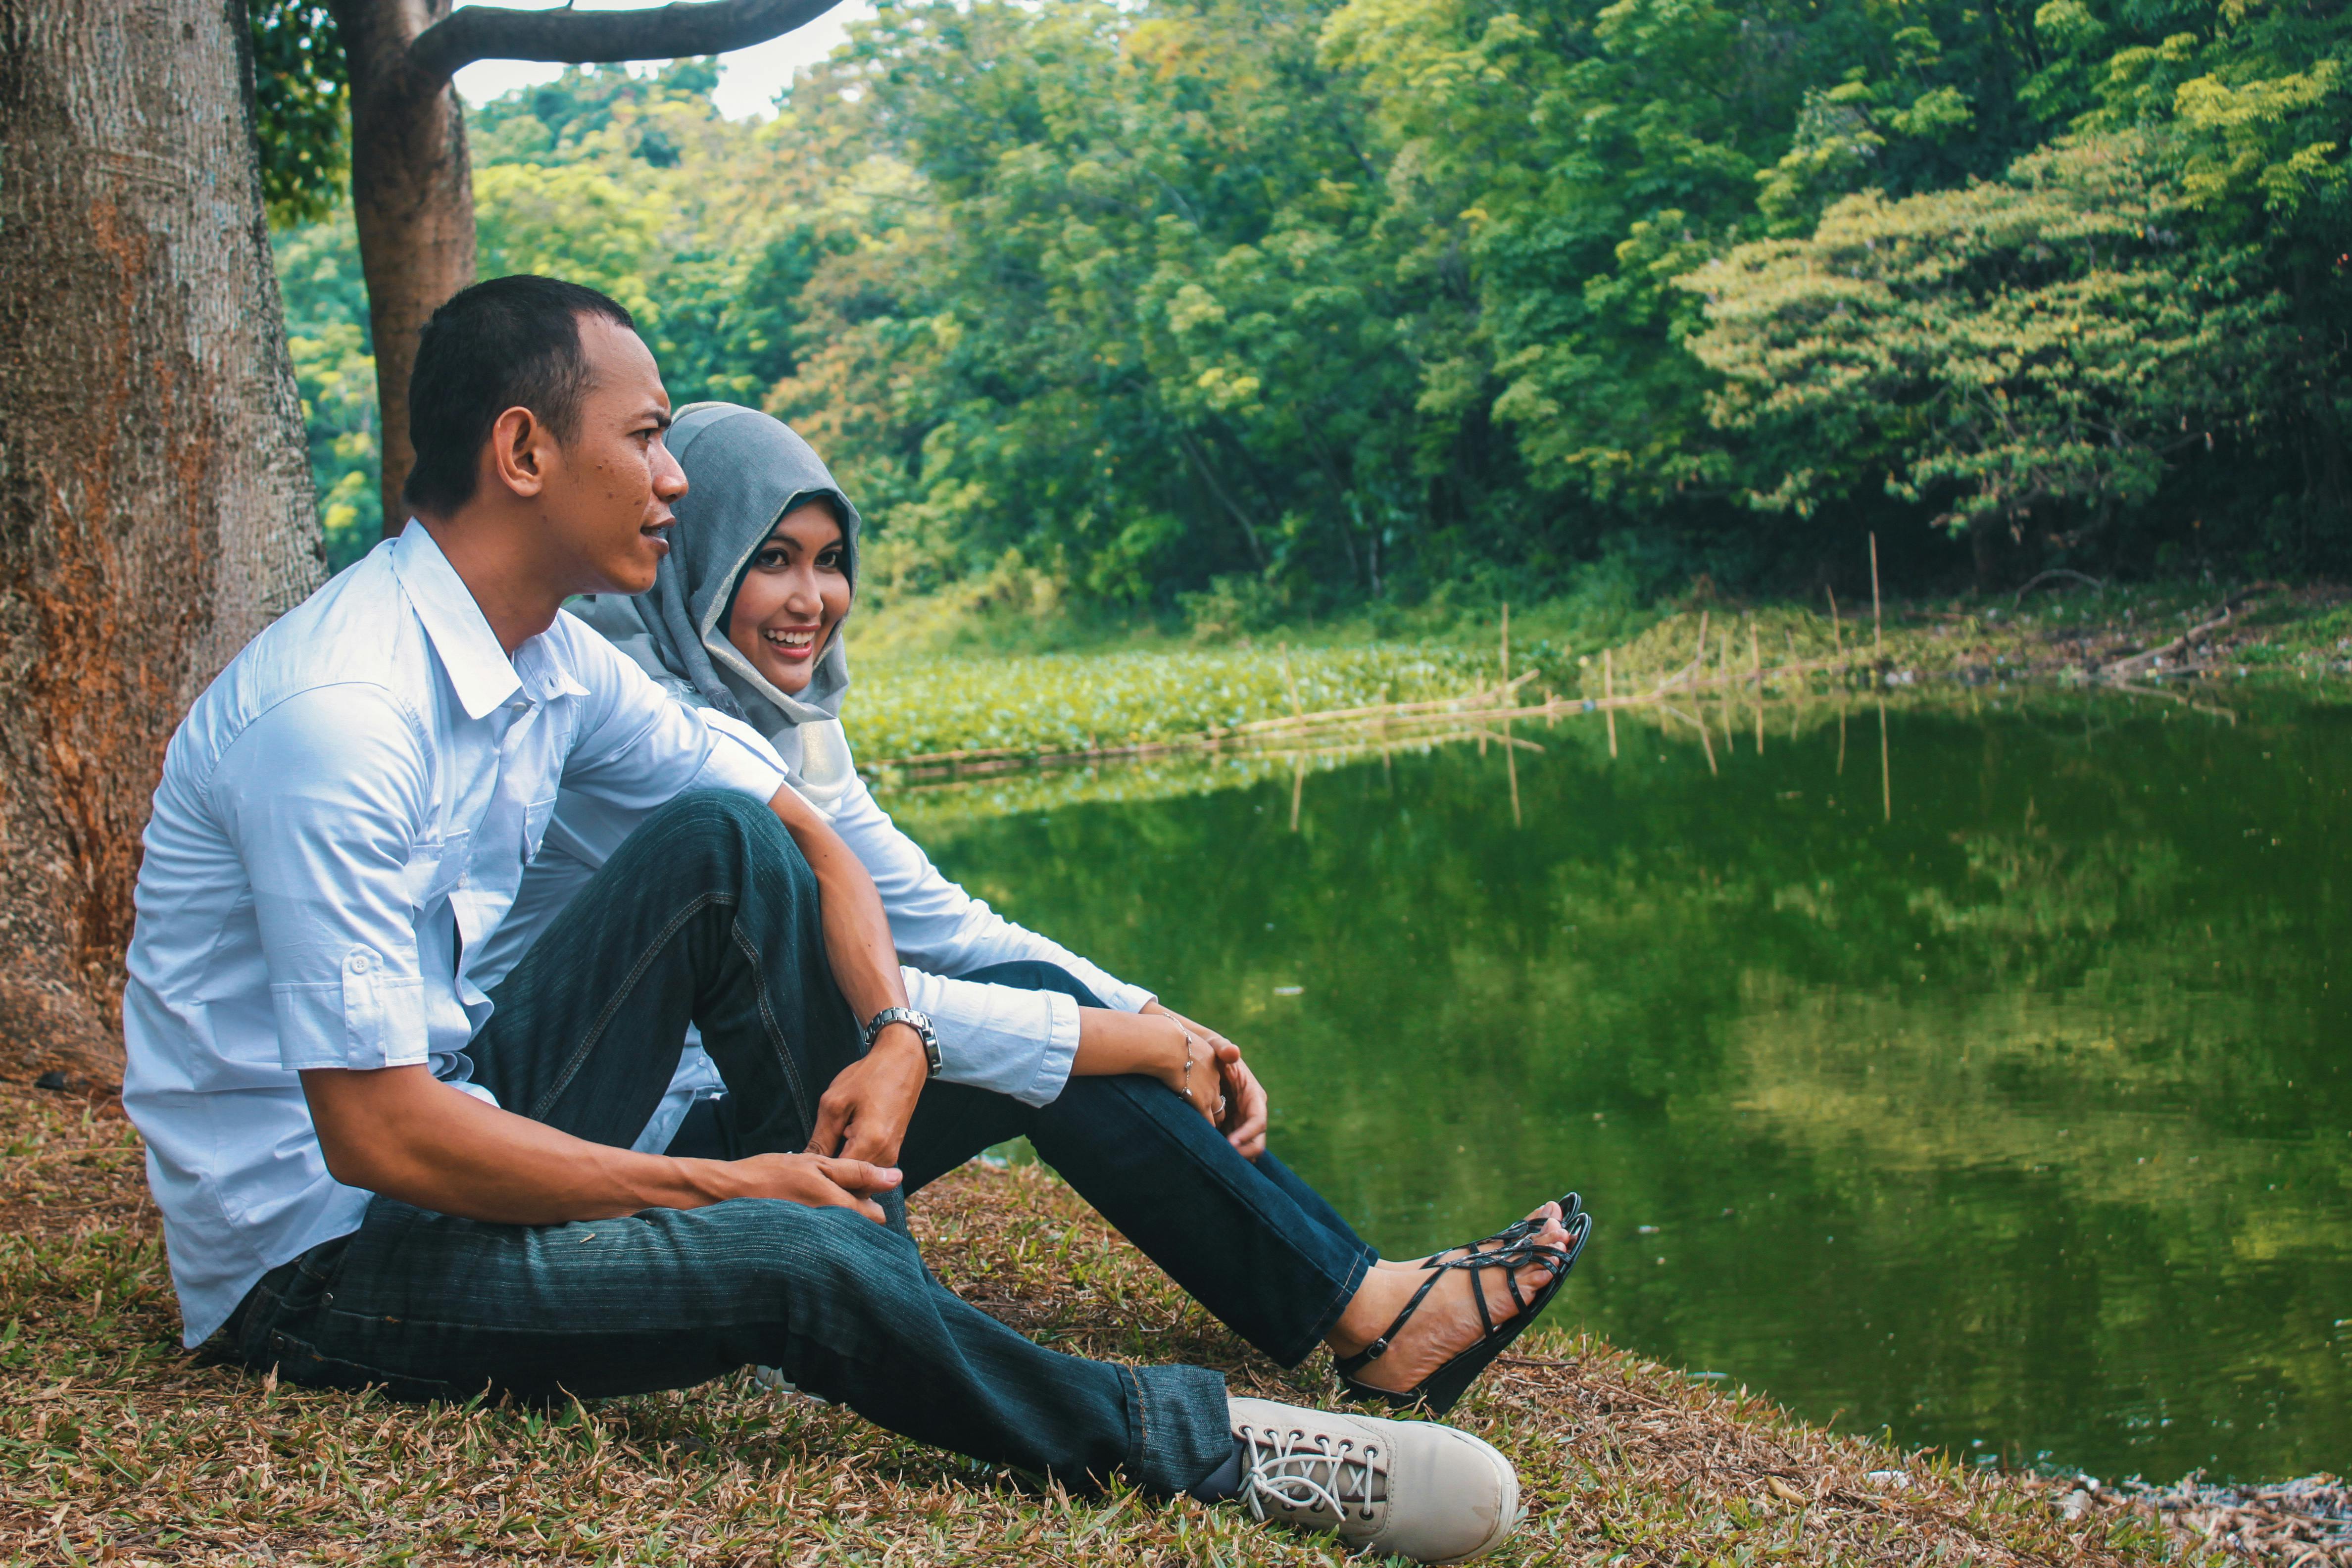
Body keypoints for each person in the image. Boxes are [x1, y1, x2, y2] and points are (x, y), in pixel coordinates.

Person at [118, 275, 1560, 1563]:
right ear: (524, 451)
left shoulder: (549, 660)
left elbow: (803, 834)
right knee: (792, 1256)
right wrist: (728, 1189)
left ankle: (877, 1266)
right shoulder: (344, 717)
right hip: (323, 1260)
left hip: (484, 1103)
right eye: (648, 437)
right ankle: (1215, 1450)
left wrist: (892, 1033)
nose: (675, 478)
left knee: (724, 839)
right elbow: (379, 1138)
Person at [493, 398, 1595, 1416]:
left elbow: (940, 921)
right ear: (692, 557)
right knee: (1057, 1037)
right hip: (624, 1140)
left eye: (831, 562)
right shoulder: (634, 730)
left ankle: (1366, 1295)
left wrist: (1164, 1020)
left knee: (1053, 1011)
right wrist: (1117, 1039)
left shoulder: (793, 732)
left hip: (768, 1097)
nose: (811, 600)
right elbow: (843, 989)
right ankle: (1370, 1314)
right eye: (771, 560)